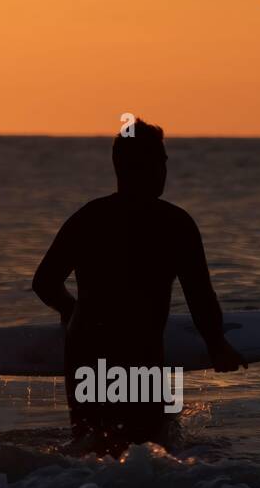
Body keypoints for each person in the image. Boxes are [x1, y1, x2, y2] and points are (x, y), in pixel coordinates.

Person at [32, 119, 246, 453]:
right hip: (139, 355)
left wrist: (71, 311)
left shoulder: (89, 217)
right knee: (149, 451)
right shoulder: (174, 224)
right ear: (131, 166)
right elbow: (199, 295)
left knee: (90, 448)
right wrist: (217, 344)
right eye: (157, 162)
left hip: (86, 355)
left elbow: (44, 282)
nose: (163, 170)